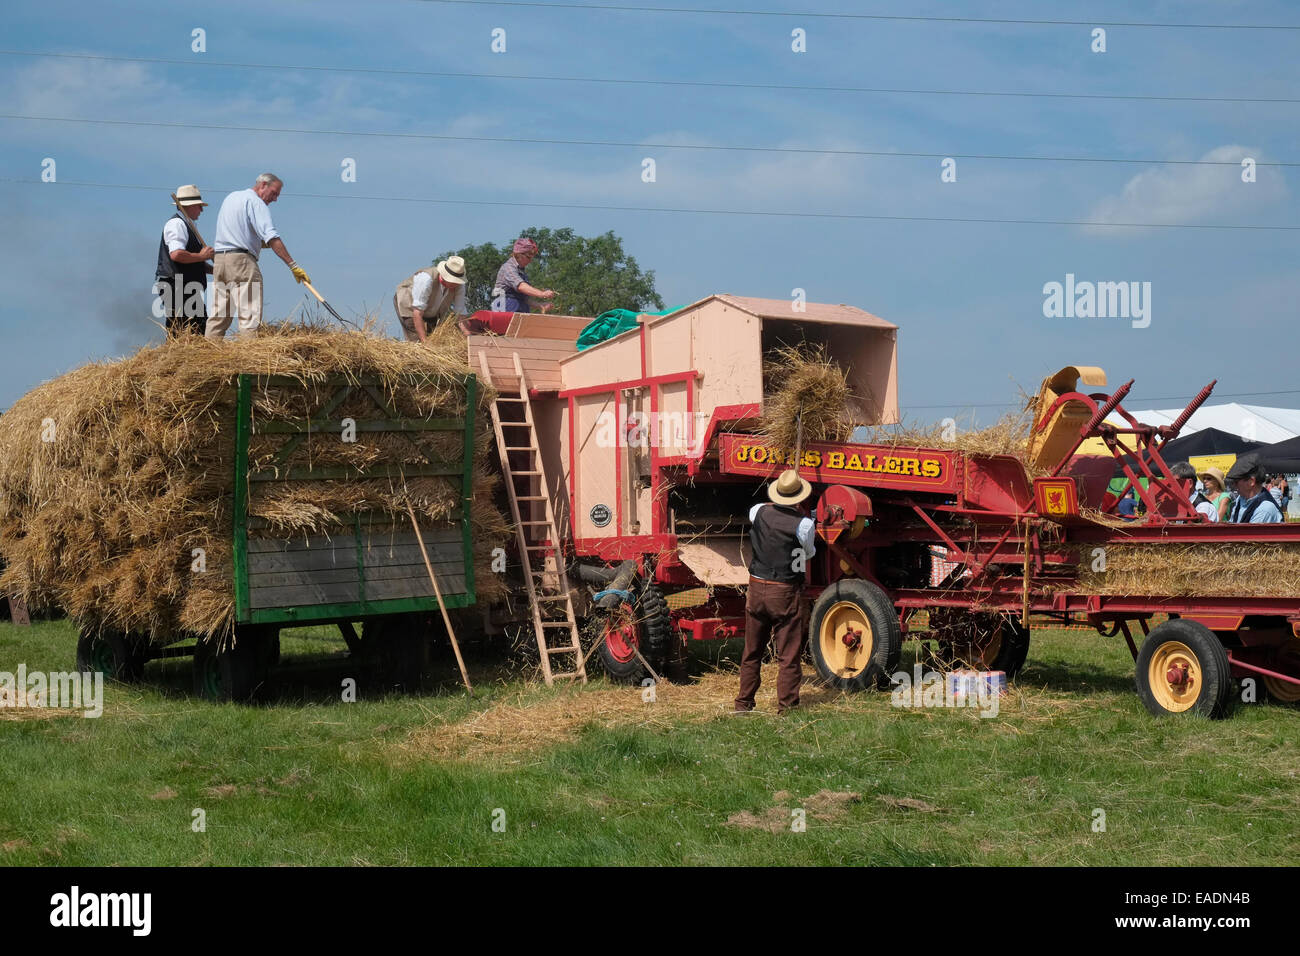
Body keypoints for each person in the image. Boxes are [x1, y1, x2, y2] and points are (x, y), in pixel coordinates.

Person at [735, 469, 817, 715]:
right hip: (784, 590)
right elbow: (809, 553)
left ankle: (743, 704)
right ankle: (787, 707)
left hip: (756, 587)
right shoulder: (804, 524)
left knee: (752, 651)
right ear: (799, 497)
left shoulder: (757, 511)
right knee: (788, 655)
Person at [208, 173, 310, 339]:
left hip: (220, 262)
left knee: (218, 317)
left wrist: (258, 244)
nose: (275, 199)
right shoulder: (256, 203)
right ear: (263, 185)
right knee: (249, 316)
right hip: (242, 263)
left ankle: (206, 357)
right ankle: (249, 361)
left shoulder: (231, 198)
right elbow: (272, 237)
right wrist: (293, 266)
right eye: (274, 193)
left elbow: (240, 233)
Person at [154, 184, 214, 336]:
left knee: (197, 328)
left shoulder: (188, 225)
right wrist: (202, 256)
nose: (202, 210)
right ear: (190, 206)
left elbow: (192, 260)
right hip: (178, 285)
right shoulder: (177, 224)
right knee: (184, 330)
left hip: (186, 286)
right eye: (199, 206)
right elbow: (177, 255)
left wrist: (213, 269)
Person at [393, 256, 468, 342]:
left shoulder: (460, 286)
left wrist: (468, 337)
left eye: (457, 281)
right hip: (410, 305)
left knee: (435, 340)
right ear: (444, 275)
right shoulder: (426, 279)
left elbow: (460, 314)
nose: (456, 284)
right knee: (417, 341)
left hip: (432, 311)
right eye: (453, 281)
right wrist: (425, 343)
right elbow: (417, 313)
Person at [492, 238, 557, 314]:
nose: (530, 260)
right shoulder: (508, 268)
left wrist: (540, 305)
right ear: (519, 254)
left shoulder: (522, 273)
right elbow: (521, 286)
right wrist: (542, 294)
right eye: (528, 257)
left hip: (520, 310)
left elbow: (525, 299)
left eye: (532, 257)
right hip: (505, 310)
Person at [1225, 456, 1283, 523]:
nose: (1234, 486)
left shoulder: (1265, 509)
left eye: (1236, 482)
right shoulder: (1240, 499)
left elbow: (1250, 533)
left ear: (1251, 481)